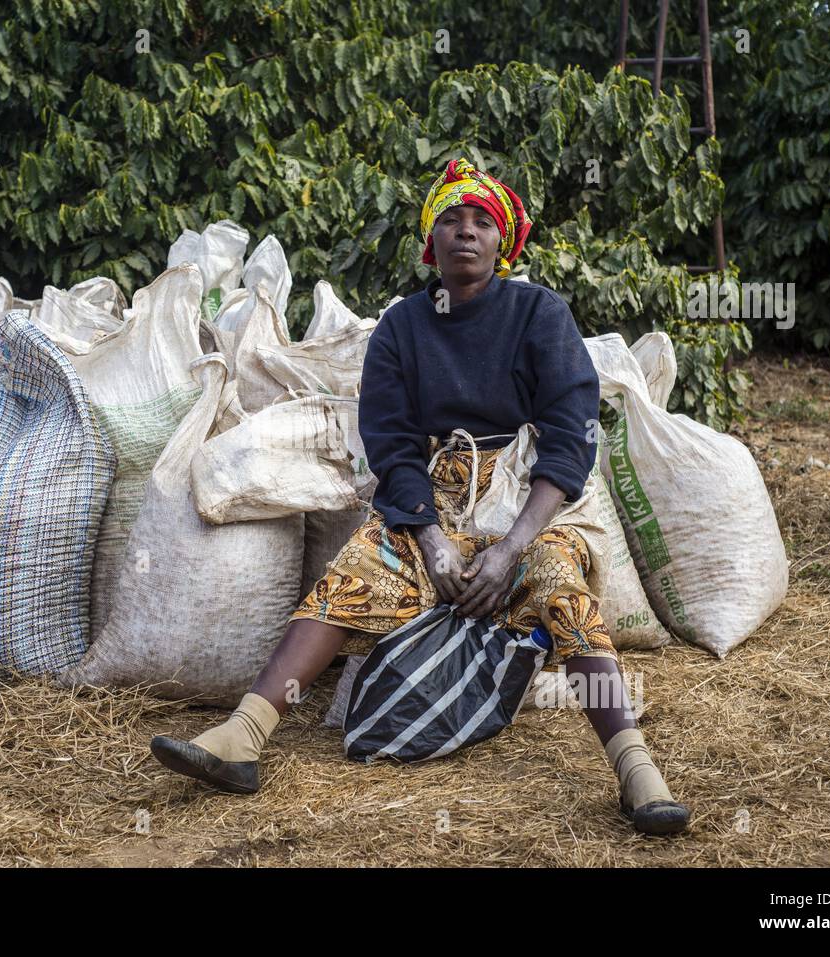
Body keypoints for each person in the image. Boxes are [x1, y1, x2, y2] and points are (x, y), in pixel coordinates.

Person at [150, 158, 691, 836]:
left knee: (558, 579)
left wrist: (512, 548)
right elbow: (391, 442)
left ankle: (635, 766)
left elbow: (568, 441)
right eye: (451, 219)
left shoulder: (539, 314)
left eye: (482, 220)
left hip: (527, 502)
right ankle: (244, 734)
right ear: (430, 244)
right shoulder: (404, 326)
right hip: (435, 502)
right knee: (357, 564)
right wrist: (431, 538)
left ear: (504, 244)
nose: (466, 230)